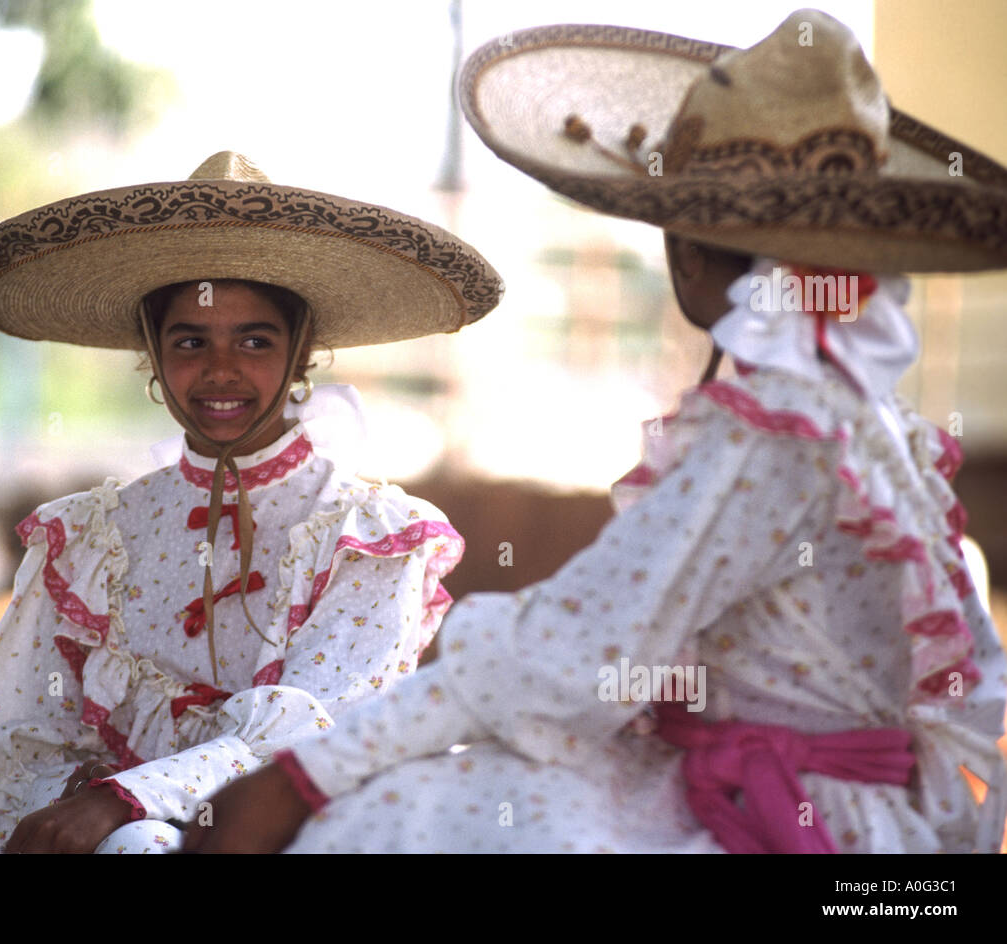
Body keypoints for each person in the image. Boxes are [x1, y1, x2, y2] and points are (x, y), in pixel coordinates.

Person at [185, 12, 1007, 854]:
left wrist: (301, 778)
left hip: (789, 821)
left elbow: (569, 654)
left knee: (405, 818)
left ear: (685, 253)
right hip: (864, 820)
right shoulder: (880, 431)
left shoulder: (765, 439)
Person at [0, 151, 502, 852]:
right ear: (152, 353)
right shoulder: (90, 536)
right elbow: (1, 741)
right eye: (190, 340)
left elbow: (328, 730)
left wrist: (125, 802)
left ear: (301, 355)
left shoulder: (372, 534)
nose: (221, 370)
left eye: (254, 340)